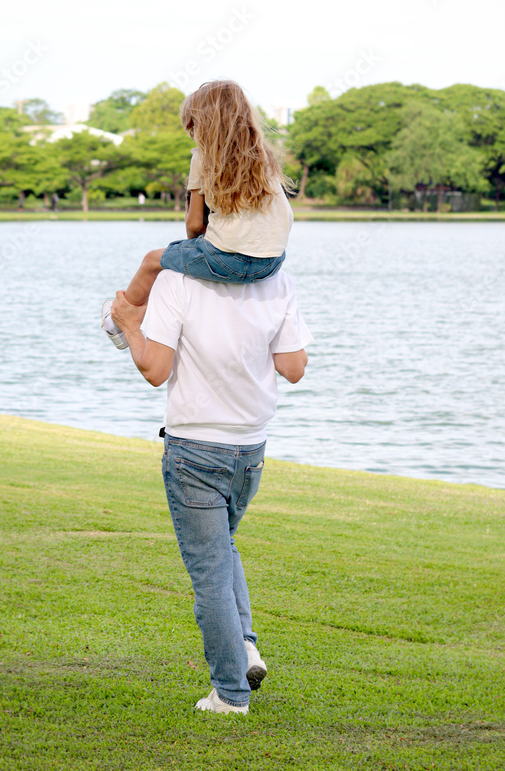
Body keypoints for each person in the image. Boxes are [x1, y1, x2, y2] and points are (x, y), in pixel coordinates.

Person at [110, 263, 312, 715]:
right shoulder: (274, 278)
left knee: (210, 573)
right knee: (222, 549)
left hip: (195, 451)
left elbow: (155, 369)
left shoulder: (179, 278)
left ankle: (230, 694)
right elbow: (294, 368)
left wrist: (128, 326)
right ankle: (244, 645)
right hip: (250, 452)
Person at [101, 80, 294, 349]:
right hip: (272, 262)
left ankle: (120, 319)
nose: (190, 134)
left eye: (192, 126)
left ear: (204, 126)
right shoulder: (265, 157)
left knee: (151, 261)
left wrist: (193, 244)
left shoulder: (203, 157)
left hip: (227, 260)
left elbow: (193, 224)